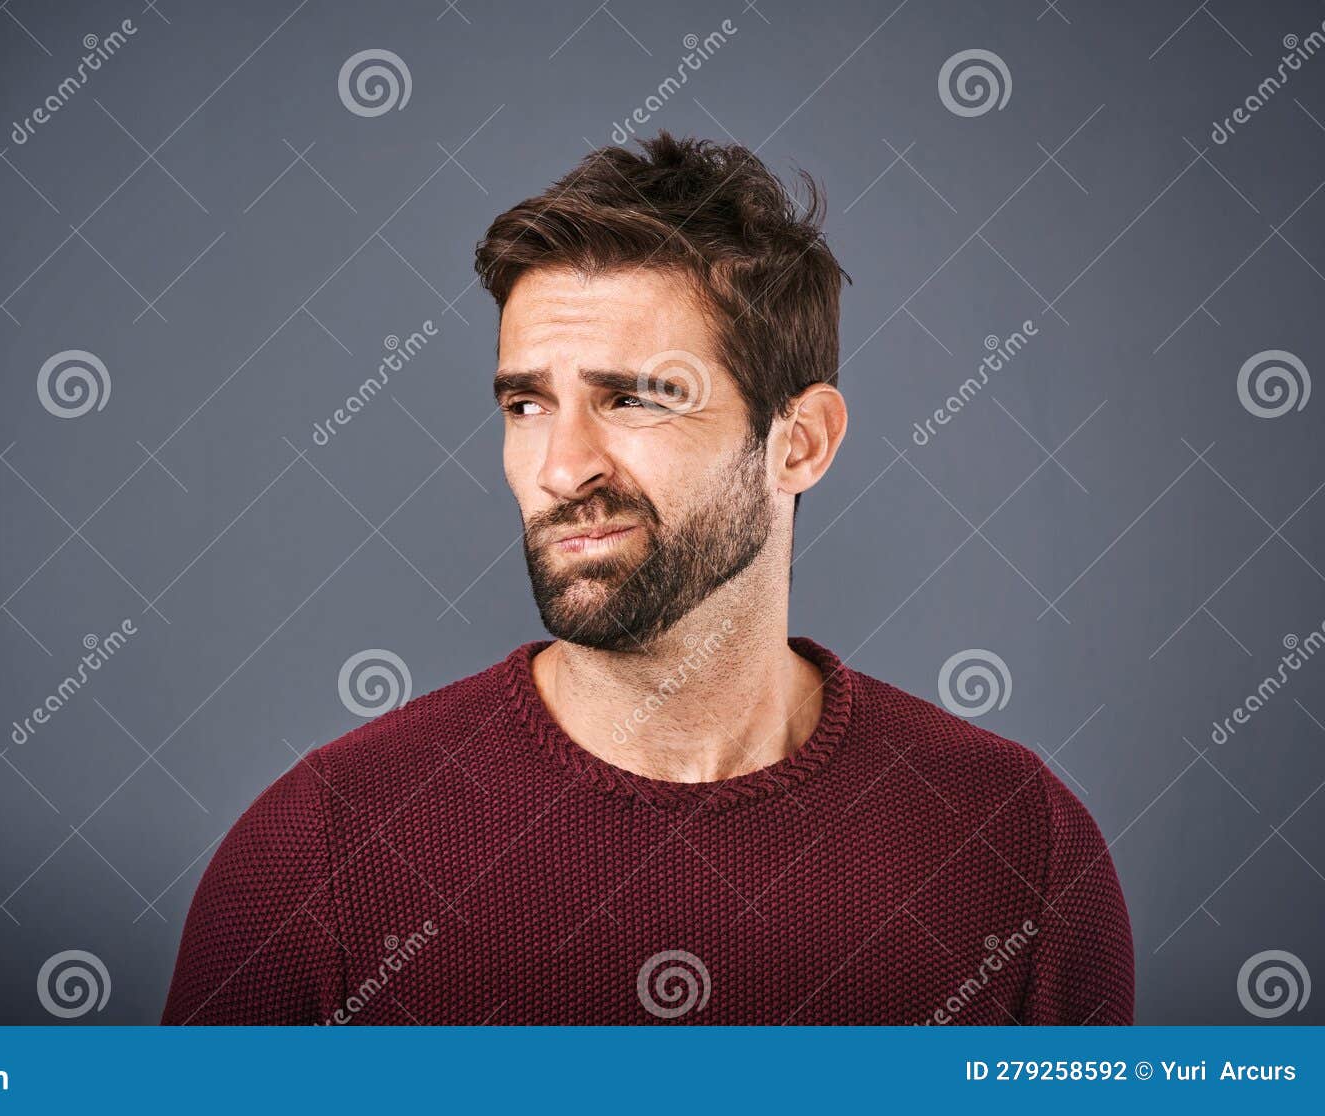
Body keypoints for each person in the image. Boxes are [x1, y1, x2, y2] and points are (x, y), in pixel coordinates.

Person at [161, 133, 1133, 1025]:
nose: (561, 466)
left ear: (798, 443)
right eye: (526, 403)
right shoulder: (322, 849)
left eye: (633, 397)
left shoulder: (1016, 847)